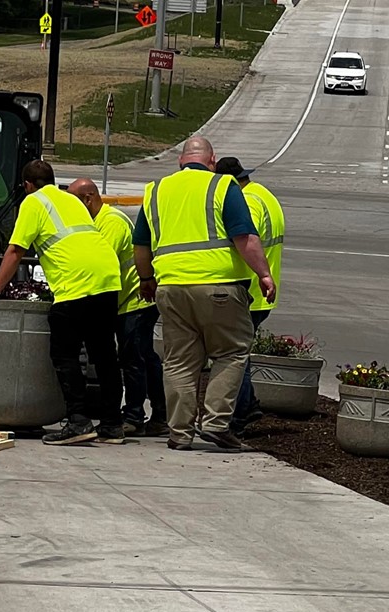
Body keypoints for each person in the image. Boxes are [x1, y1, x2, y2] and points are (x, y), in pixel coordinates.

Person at [132, 136, 276, 452]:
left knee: (179, 362)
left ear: (180, 162)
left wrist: (146, 280)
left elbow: (140, 245)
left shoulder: (156, 191)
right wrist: (263, 274)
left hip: (170, 289)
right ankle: (215, 424)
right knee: (231, 352)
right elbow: (245, 238)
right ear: (212, 161)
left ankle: (180, 433)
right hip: (219, 288)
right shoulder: (223, 187)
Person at [0, 160, 125, 446]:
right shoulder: (72, 200)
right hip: (107, 278)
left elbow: (16, 250)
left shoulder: (33, 202)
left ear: (28, 185)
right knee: (104, 355)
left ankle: (78, 421)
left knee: (64, 354)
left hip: (75, 283)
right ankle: (113, 424)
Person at [67, 178, 169, 438]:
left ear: (88, 198)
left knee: (134, 358)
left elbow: (102, 263)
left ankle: (136, 415)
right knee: (143, 357)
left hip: (135, 300)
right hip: (127, 302)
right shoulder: (97, 222)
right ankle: (159, 414)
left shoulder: (110, 222)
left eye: (74, 203)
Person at [215, 157, 286, 435]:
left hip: (250, 291)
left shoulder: (247, 202)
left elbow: (243, 239)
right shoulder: (263, 194)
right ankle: (250, 403)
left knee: (235, 355)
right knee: (241, 351)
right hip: (263, 291)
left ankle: (238, 416)